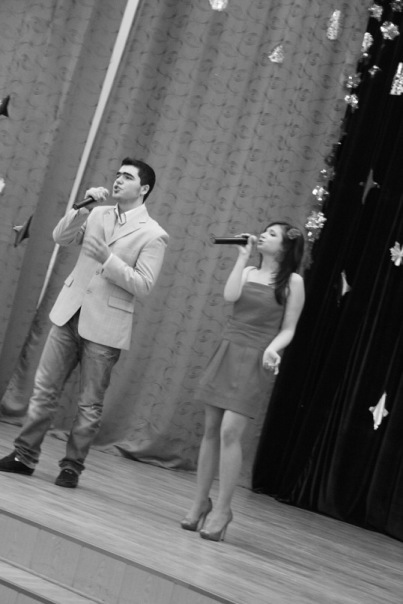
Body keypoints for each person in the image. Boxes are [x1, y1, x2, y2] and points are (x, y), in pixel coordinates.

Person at [0, 157, 168, 488]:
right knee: (44, 390)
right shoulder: (98, 213)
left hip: (105, 326)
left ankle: (72, 467)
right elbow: (60, 237)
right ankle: (24, 456)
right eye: (117, 174)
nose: (118, 180)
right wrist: (82, 207)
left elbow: (143, 285)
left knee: (89, 404)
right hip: (69, 312)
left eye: (127, 177)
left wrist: (108, 258)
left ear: (144, 188)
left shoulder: (153, 234)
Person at [181, 222, 305, 541]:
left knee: (230, 431)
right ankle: (200, 502)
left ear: (286, 247)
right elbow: (230, 295)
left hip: (257, 357)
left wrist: (273, 350)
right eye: (264, 231)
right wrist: (241, 258)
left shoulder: (293, 281)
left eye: (272, 234)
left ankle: (223, 510)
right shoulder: (248, 271)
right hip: (228, 349)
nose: (263, 235)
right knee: (211, 429)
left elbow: (289, 328)